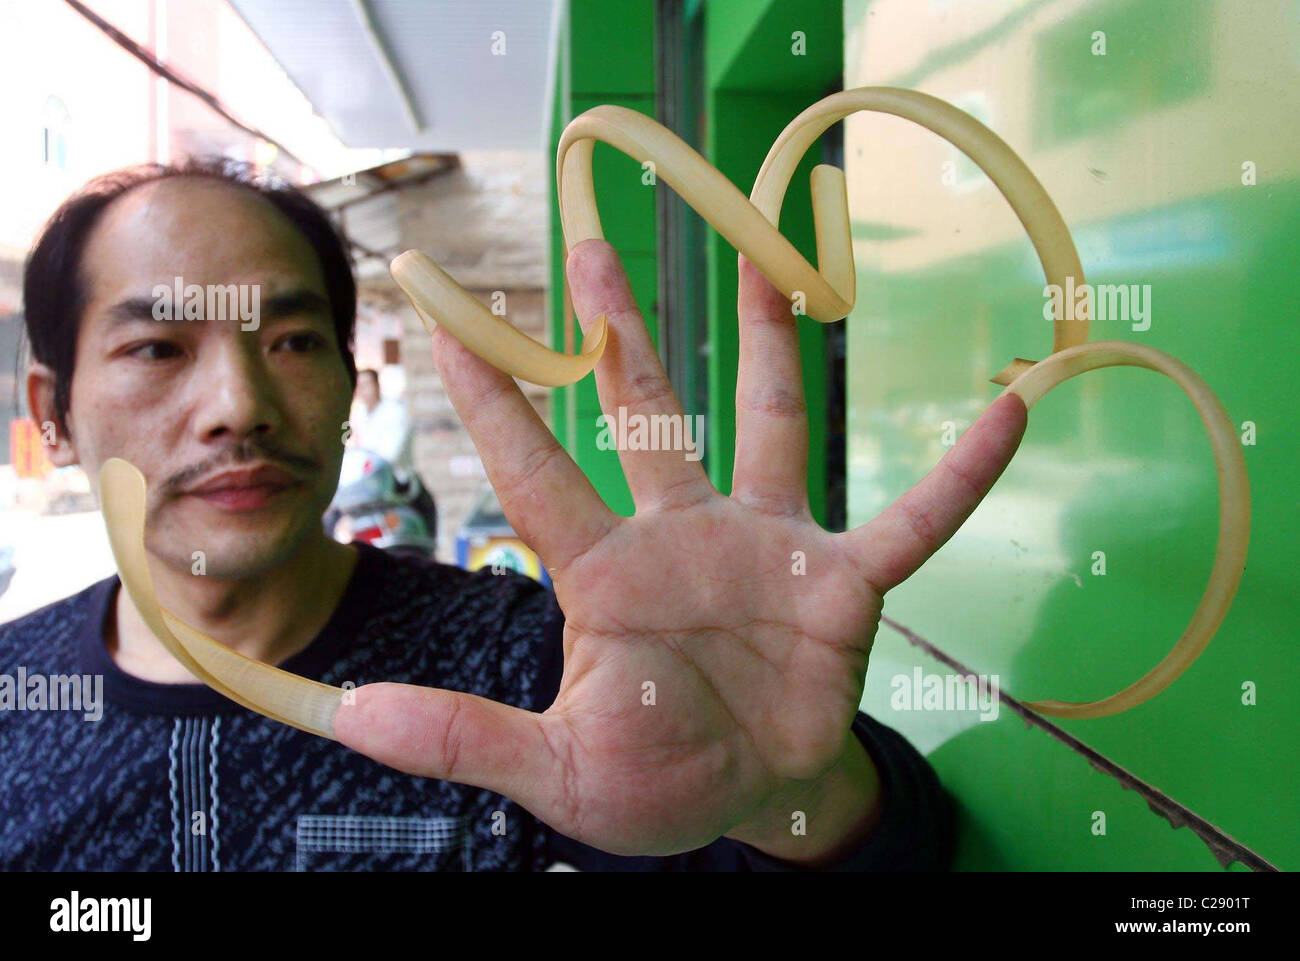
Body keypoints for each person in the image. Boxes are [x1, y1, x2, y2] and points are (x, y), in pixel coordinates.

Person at [0, 158, 1027, 871]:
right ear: (53, 412)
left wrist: (786, 800)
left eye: (292, 342)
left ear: (349, 383)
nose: (238, 407)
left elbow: (892, 854)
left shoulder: (544, 658)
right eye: (158, 349)